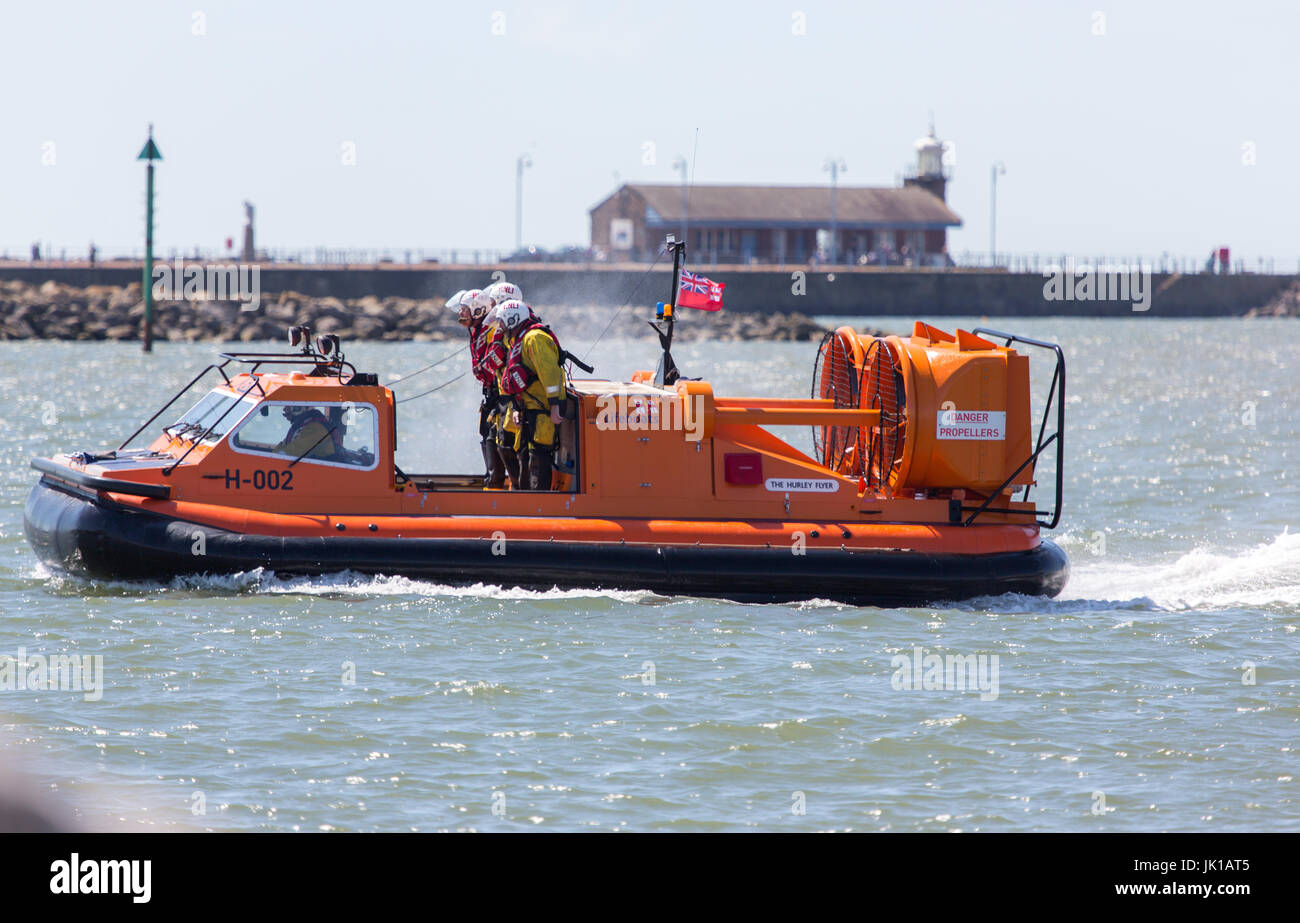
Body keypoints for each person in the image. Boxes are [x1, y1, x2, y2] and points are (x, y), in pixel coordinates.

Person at [495, 299, 567, 491]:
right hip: (527, 408)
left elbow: (549, 373)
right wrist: (517, 408)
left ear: (512, 319)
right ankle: (524, 502)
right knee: (524, 455)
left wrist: (554, 406)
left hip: (542, 408)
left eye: (501, 321)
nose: (499, 326)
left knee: (539, 457)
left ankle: (539, 506)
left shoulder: (534, 338)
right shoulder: (518, 339)